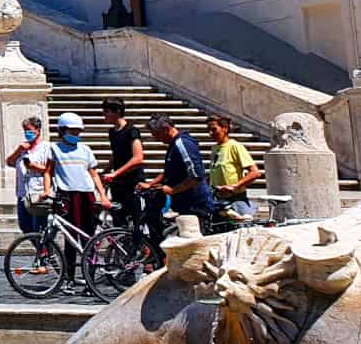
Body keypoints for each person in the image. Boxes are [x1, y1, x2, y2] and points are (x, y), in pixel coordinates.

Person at [49, 112, 112, 275]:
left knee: (88, 236)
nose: (76, 134)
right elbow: (48, 172)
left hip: (87, 194)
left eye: (78, 131)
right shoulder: (54, 148)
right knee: (70, 238)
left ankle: (89, 277)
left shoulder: (85, 149)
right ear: (62, 130)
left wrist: (103, 195)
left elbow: (93, 173)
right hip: (67, 195)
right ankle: (69, 277)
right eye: (72, 131)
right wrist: (46, 190)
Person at [141, 114, 215, 249]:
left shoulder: (183, 144)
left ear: (166, 128)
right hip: (184, 205)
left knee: (193, 249)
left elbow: (196, 176)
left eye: (155, 134)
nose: (154, 138)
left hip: (195, 205)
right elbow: (168, 171)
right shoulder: (173, 145)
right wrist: (151, 184)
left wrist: (172, 190)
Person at [100, 98, 146, 227]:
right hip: (118, 184)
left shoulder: (131, 131)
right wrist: (106, 170)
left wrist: (115, 173)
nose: (104, 115)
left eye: (107, 111)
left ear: (118, 111)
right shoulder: (112, 132)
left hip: (133, 183)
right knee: (119, 219)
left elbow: (138, 158)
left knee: (136, 220)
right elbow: (116, 154)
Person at [5, 115, 51, 234]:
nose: (27, 133)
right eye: (25, 130)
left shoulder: (46, 147)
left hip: (38, 193)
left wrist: (34, 167)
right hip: (23, 193)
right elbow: (10, 162)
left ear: (38, 130)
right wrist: (19, 150)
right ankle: (41, 250)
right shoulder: (24, 148)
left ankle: (46, 251)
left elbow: (51, 170)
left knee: (39, 228)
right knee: (25, 227)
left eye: (29, 130)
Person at [208, 116, 262, 205]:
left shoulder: (235, 146)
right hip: (218, 199)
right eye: (208, 130)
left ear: (225, 129)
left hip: (235, 200)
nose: (210, 133)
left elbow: (255, 173)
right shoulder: (214, 148)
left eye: (214, 129)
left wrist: (235, 186)